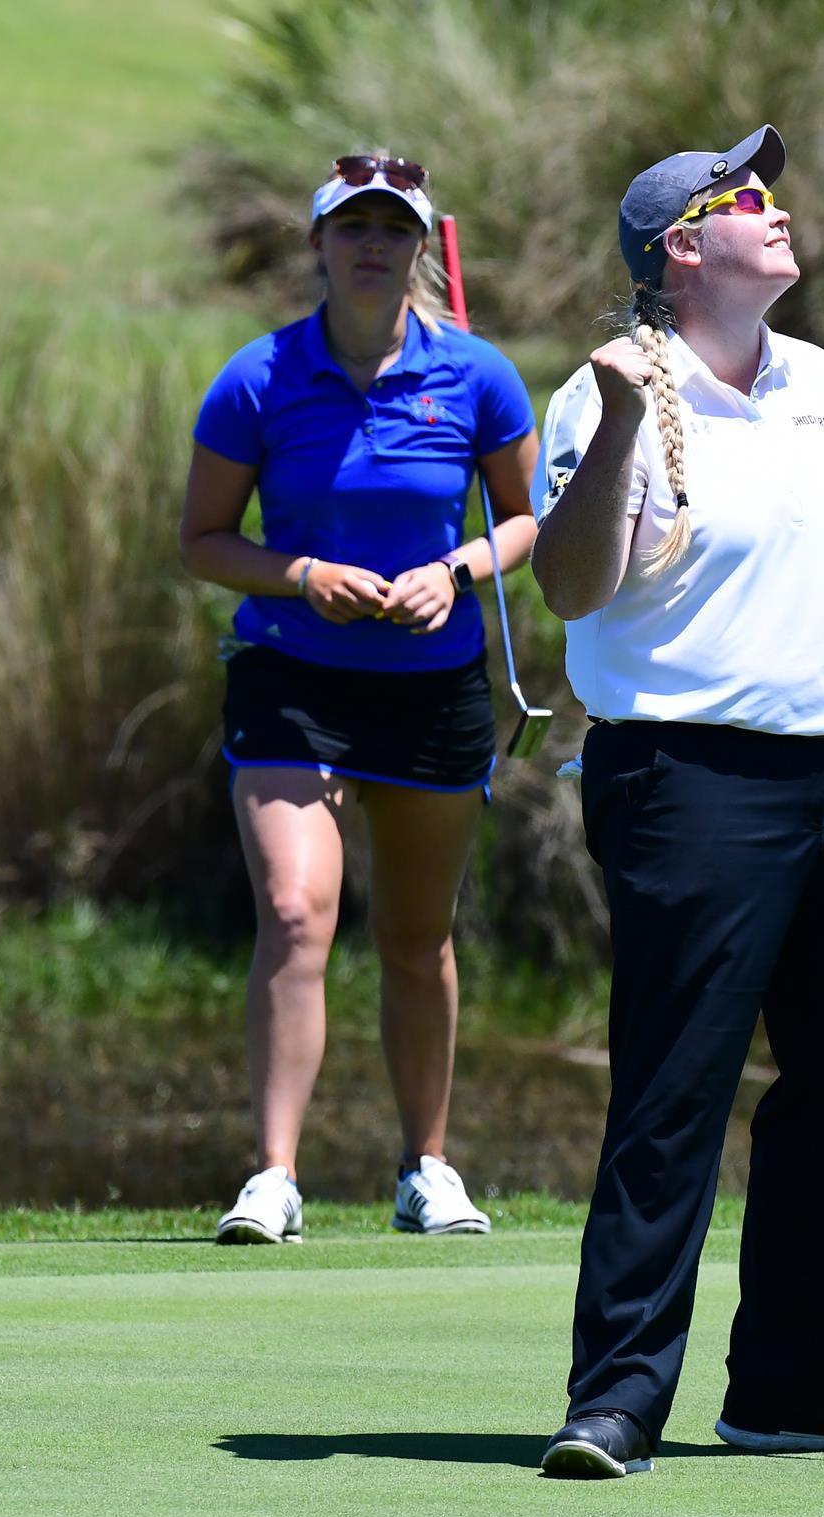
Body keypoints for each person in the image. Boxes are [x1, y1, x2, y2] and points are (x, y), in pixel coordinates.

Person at [529, 126, 824, 1478]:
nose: (776, 211)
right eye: (746, 199)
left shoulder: (823, 386)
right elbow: (570, 586)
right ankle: (613, 1397)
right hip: (688, 778)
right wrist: (611, 426)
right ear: (682, 246)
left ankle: (797, 1378)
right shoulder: (603, 393)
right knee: (676, 1085)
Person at [179, 154, 539, 1245]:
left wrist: (458, 572)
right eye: (353, 229)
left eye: (393, 230)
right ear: (319, 247)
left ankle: (424, 1166)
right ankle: (274, 1177)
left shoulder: (478, 377)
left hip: (430, 688)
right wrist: (301, 576)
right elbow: (202, 542)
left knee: (417, 937)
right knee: (295, 915)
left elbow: (526, 525)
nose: (372, 245)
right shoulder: (258, 378)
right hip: (292, 677)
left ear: (421, 249)